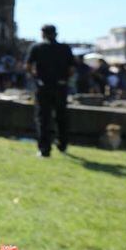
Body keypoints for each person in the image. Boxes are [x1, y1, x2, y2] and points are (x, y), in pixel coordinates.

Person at [25, 24, 75, 157]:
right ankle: (62, 145)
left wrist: (36, 77)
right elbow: (71, 69)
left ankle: (44, 149)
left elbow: (28, 66)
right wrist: (63, 79)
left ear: (43, 34)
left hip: (43, 86)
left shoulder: (37, 47)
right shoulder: (65, 48)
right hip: (60, 86)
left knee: (43, 117)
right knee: (61, 116)